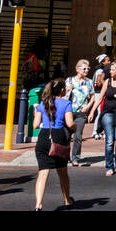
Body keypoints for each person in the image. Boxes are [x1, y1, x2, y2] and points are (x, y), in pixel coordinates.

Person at [31, 77, 74, 210]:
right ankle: (67, 200)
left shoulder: (43, 103)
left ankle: (38, 204)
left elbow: (35, 125)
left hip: (44, 136)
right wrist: (75, 128)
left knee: (43, 172)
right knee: (62, 171)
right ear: (62, 90)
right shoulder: (66, 103)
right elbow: (70, 123)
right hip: (59, 137)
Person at [65, 59, 96, 165]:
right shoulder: (69, 80)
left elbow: (92, 97)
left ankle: (75, 158)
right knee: (67, 135)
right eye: (84, 68)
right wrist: (67, 89)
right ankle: (65, 156)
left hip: (81, 113)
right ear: (77, 69)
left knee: (78, 136)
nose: (86, 70)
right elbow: (62, 96)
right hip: (68, 112)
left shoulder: (89, 82)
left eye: (88, 68)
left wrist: (88, 107)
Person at [90, 53, 110, 140]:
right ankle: (96, 131)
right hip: (99, 94)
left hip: (99, 93)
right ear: (102, 62)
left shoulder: (102, 70)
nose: (109, 62)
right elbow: (98, 83)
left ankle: (97, 131)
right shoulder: (100, 71)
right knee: (100, 113)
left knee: (100, 112)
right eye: (108, 60)